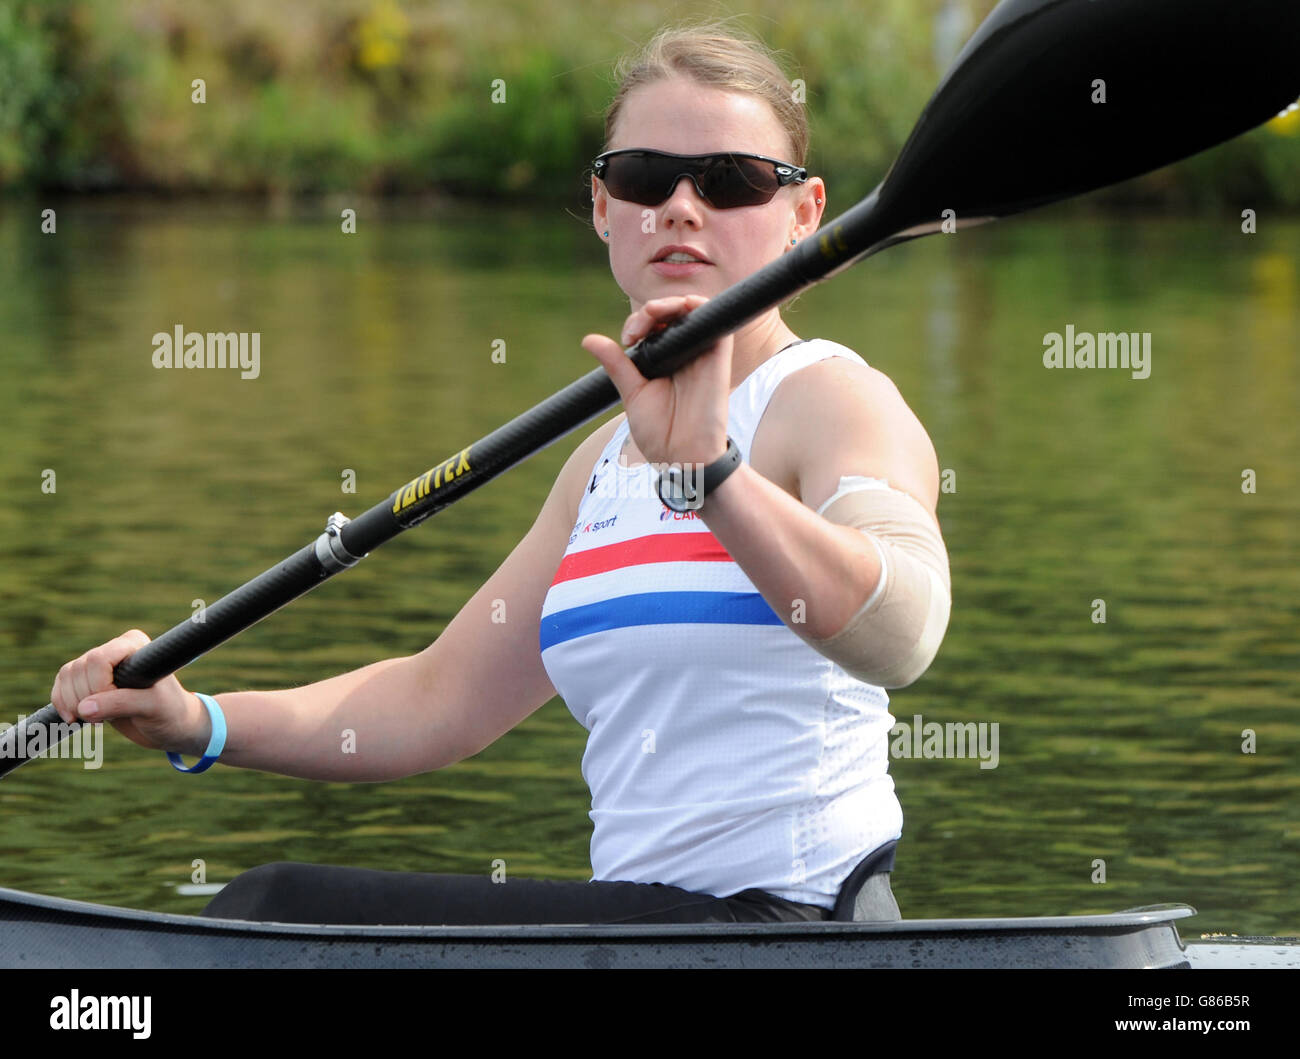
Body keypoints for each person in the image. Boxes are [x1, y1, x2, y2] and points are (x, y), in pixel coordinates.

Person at [49, 23, 950, 926]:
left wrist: (713, 474)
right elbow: (437, 700)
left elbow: (904, 635)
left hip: (797, 925)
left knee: (271, 906)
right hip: (648, 928)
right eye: (644, 177)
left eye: (730, 181)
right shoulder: (597, 467)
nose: (680, 207)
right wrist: (196, 721)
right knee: (266, 900)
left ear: (805, 213)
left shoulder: (832, 399)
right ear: (604, 206)